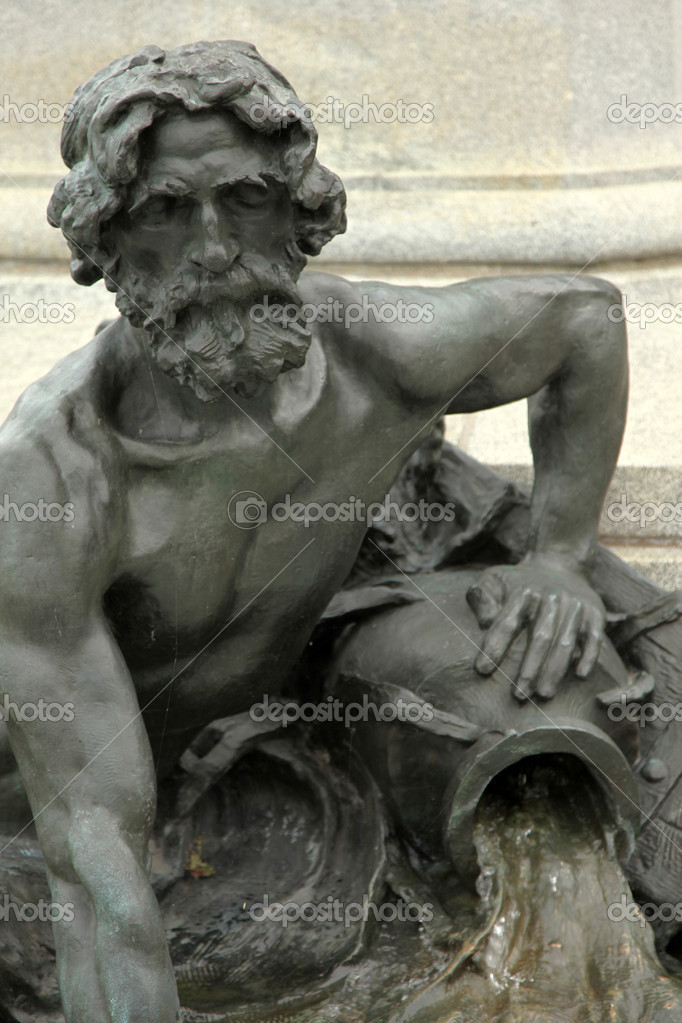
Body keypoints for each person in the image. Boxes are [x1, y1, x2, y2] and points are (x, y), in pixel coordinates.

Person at [0, 41, 628, 1022]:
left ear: (299, 211)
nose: (213, 248)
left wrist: (559, 556)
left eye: (246, 199)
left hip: (243, 755)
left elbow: (586, 321)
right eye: (165, 210)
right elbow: (93, 861)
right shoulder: (54, 483)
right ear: (106, 239)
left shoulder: (376, 355)